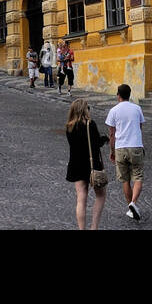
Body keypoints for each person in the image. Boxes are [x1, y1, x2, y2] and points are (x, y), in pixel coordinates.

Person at [65, 98, 108, 230]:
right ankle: (94, 227)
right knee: (100, 195)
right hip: (92, 164)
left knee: (81, 198)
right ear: (85, 110)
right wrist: (105, 138)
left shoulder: (69, 127)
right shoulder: (90, 124)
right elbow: (96, 144)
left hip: (76, 165)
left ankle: (81, 228)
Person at [105, 83, 145, 222]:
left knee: (125, 180)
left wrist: (112, 151)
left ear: (118, 95)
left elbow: (111, 134)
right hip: (136, 146)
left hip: (120, 148)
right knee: (138, 177)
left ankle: (130, 207)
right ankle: (133, 203)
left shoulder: (113, 111)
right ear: (129, 94)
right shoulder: (137, 108)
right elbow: (140, 128)